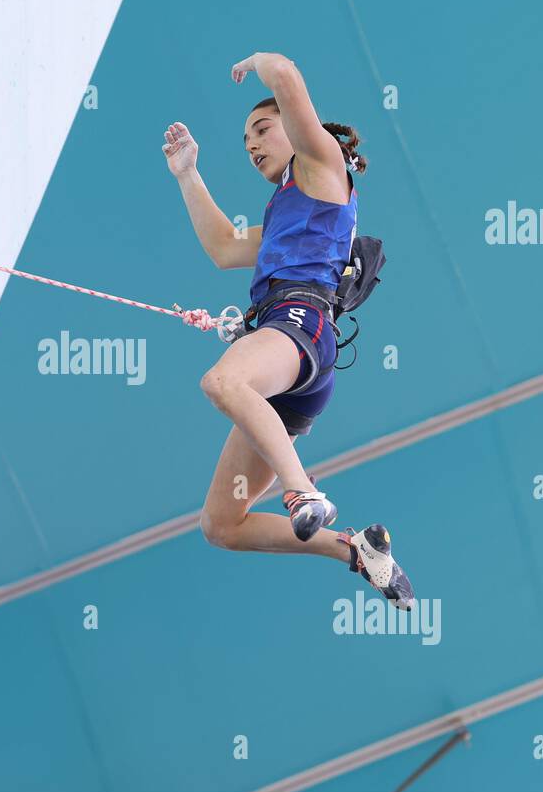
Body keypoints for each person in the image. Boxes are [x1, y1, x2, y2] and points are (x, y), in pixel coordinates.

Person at [162, 51, 414, 610]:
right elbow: (225, 247)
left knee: (223, 384)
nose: (252, 145)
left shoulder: (322, 164)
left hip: (300, 326)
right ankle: (354, 553)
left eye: (262, 128)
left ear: (297, 127)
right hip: (295, 357)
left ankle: (302, 491)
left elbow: (290, 79)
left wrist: (264, 62)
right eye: (246, 139)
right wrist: (188, 175)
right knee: (221, 525)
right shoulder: (285, 209)